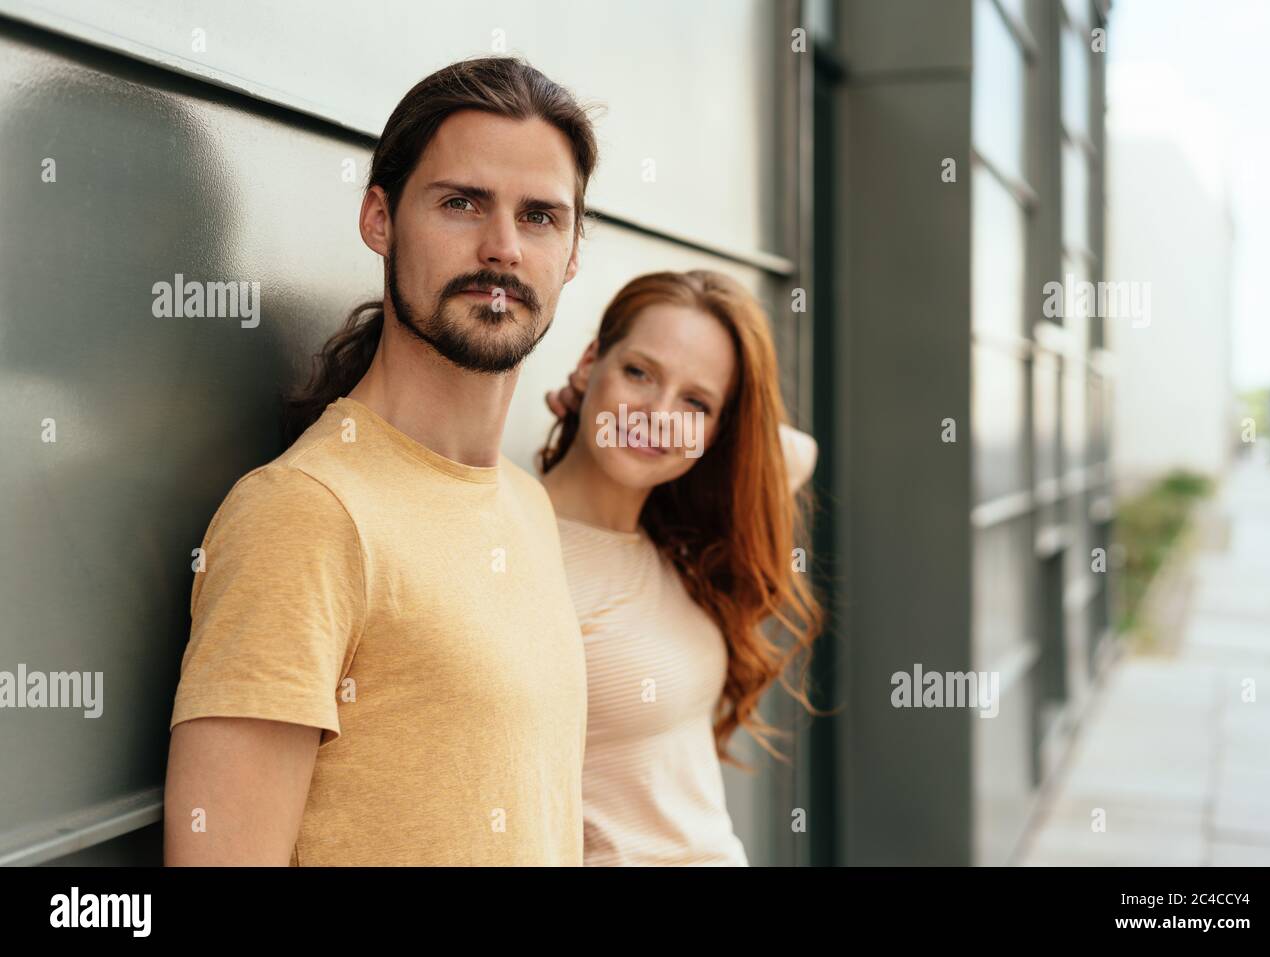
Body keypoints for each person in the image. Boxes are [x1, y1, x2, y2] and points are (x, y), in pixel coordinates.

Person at [163, 55, 599, 865]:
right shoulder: (305, 512)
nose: (502, 247)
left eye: (540, 216)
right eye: (462, 203)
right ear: (380, 219)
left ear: (573, 253)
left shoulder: (524, 503)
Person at [537, 269, 824, 865]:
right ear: (590, 361)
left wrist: (609, 408)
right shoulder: (520, 547)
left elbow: (798, 451)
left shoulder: (671, 538)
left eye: (696, 401)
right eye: (639, 373)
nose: (658, 414)